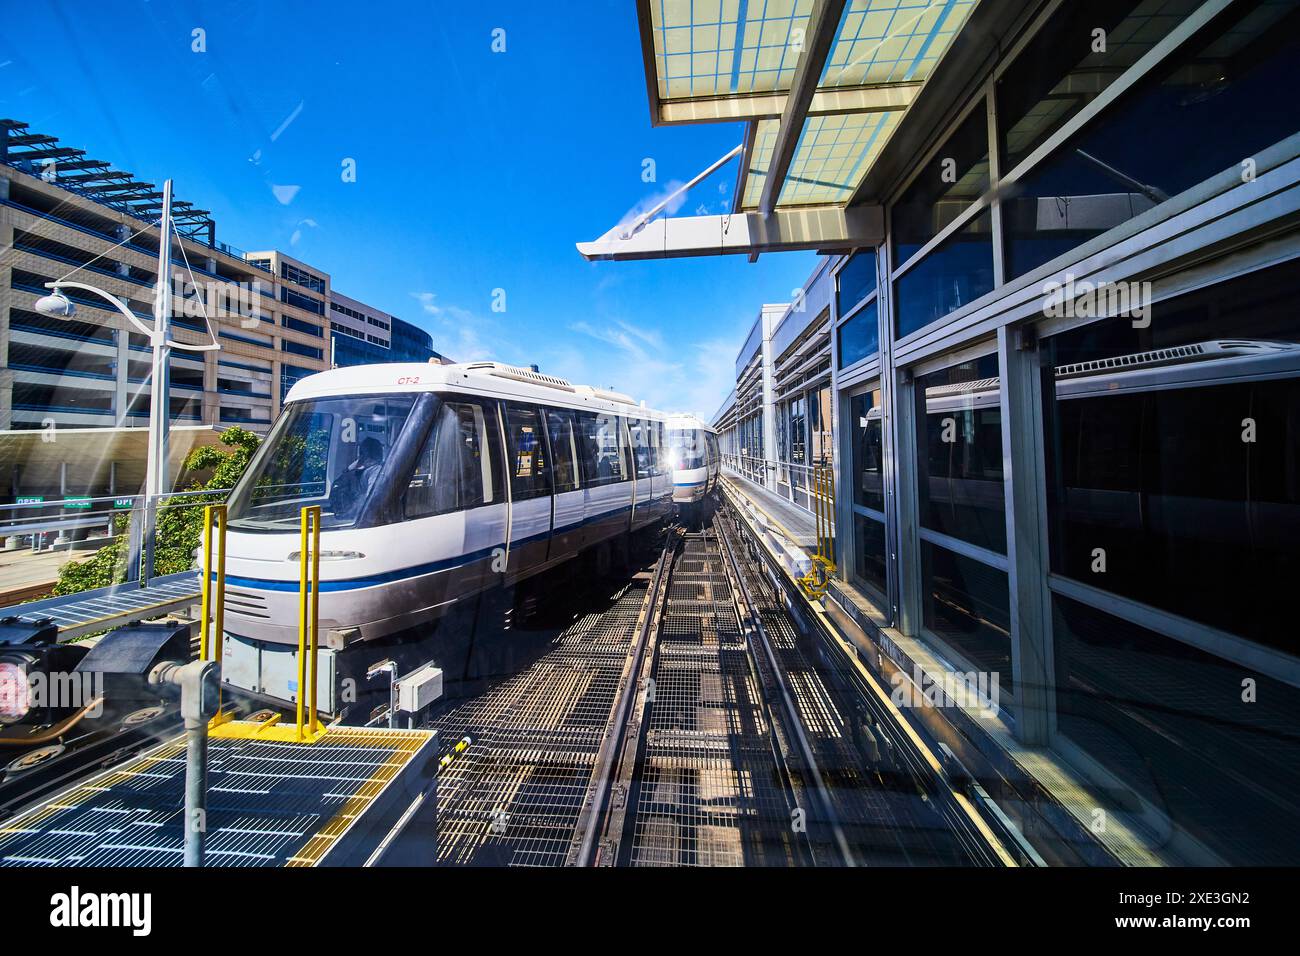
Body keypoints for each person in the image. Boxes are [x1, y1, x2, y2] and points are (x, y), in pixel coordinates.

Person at [329, 436, 384, 521]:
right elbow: (373, 497)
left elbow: (346, 471)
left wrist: (360, 459)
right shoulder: (375, 470)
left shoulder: (354, 468)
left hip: (348, 515)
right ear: (379, 452)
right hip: (362, 516)